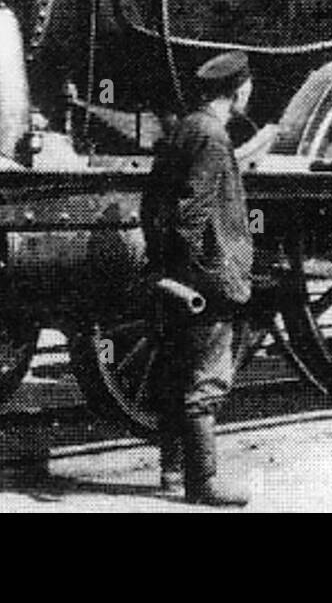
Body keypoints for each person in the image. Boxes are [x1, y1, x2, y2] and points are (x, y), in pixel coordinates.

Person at [143, 51, 255, 506]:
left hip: (179, 279)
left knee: (173, 377)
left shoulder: (184, 129)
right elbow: (192, 211)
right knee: (205, 384)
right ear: (239, 90)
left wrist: (164, 268)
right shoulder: (212, 136)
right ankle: (203, 483)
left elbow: (154, 205)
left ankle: (172, 473)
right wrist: (196, 274)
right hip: (205, 282)